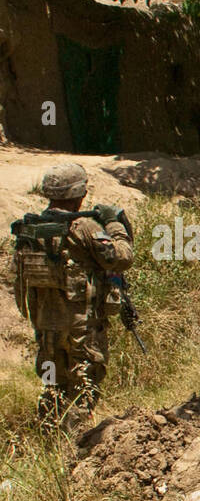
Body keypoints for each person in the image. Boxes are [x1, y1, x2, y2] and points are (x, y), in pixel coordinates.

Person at [10, 161, 134, 431]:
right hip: (82, 329)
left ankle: (49, 440)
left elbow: (19, 283)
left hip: (46, 327)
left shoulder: (29, 229)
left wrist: (36, 317)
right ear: (79, 194)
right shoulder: (85, 228)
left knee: (52, 385)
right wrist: (114, 223)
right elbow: (121, 258)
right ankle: (76, 449)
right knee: (83, 388)